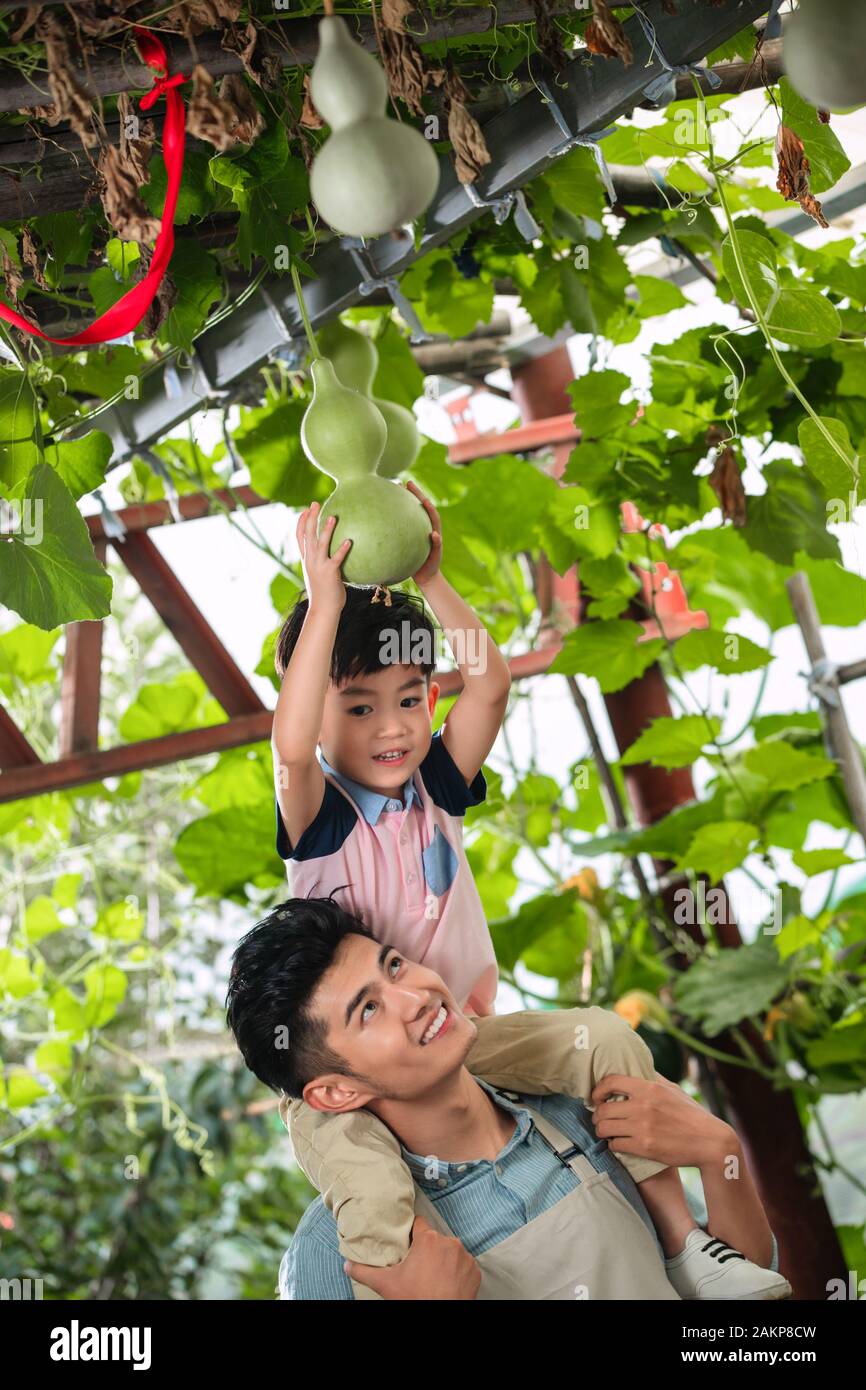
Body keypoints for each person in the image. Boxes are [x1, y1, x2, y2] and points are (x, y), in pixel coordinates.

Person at [268, 487, 785, 1299]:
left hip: (464, 1035)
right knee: (372, 1211)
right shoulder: (322, 822)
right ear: (321, 716)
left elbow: (491, 689)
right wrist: (323, 601)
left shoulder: (433, 788)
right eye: (359, 709)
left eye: (409, 700)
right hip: (348, 1084)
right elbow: (292, 751)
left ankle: (689, 1247)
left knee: (602, 1037)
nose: (394, 728)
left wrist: (434, 581)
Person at [226, 898, 790, 1301]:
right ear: (335, 1092)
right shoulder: (333, 1251)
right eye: (368, 1009)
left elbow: (737, 1301)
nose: (414, 996)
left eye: (394, 965)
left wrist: (720, 1156)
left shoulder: (582, 1116)